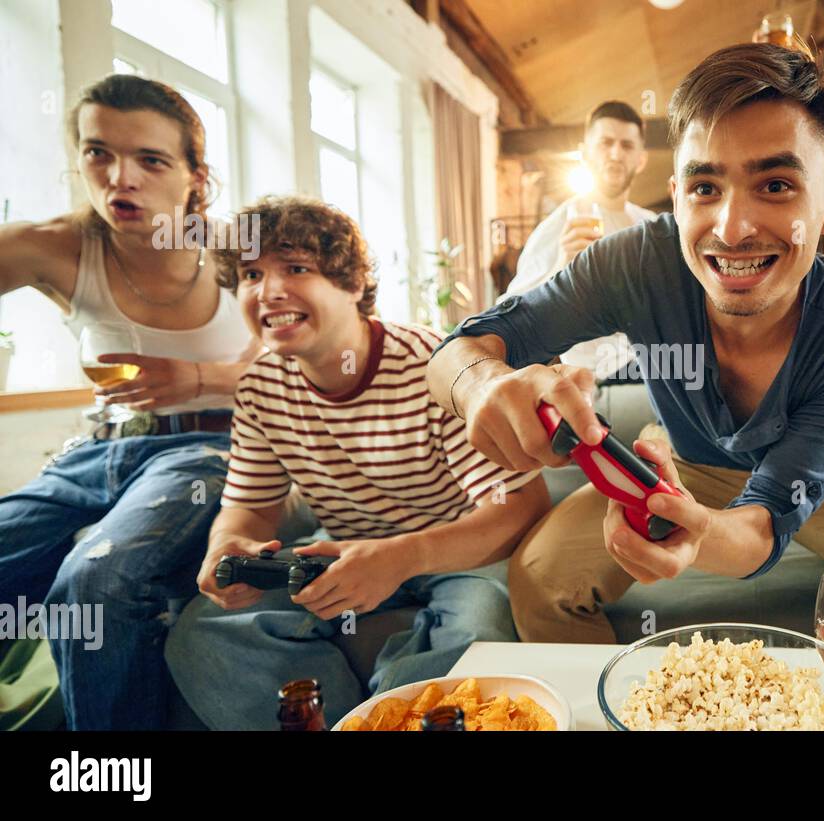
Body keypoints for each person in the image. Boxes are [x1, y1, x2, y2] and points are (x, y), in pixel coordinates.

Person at [427, 41, 824, 728]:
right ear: (678, 194)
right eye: (704, 187)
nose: (732, 227)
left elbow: (761, 523)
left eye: (776, 185)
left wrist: (703, 537)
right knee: (539, 576)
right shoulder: (637, 260)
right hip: (684, 467)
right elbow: (463, 346)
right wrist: (480, 386)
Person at [164, 197, 549, 730]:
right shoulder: (259, 388)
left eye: (296, 268)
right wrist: (228, 547)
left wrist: (397, 558)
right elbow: (249, 510)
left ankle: (398, 711)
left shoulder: (433, 366)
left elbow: (519, 507)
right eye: (251, 274)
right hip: (339, 551)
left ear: (350, 284)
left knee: (473, 639)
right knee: (203, 632)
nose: (268, 290)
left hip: (458, 550)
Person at [0, 74, 258, 729]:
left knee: (92, 580)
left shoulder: (238, 250)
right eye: (98, 153)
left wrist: (202, 377)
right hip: (95, 453)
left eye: (151, 159)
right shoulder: (56, 245)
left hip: (208, 449)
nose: (121, 177)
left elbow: (311, 353)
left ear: (195, 175)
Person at [508, 100, 654, 379]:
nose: (615, 154)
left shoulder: (651, 227)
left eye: (626, 146)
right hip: (587, 382)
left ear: (641, 159)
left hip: (652, 372)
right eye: (605, 143)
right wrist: (560, 273)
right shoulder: (559, 227)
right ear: (584, 154)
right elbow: (514, 318)